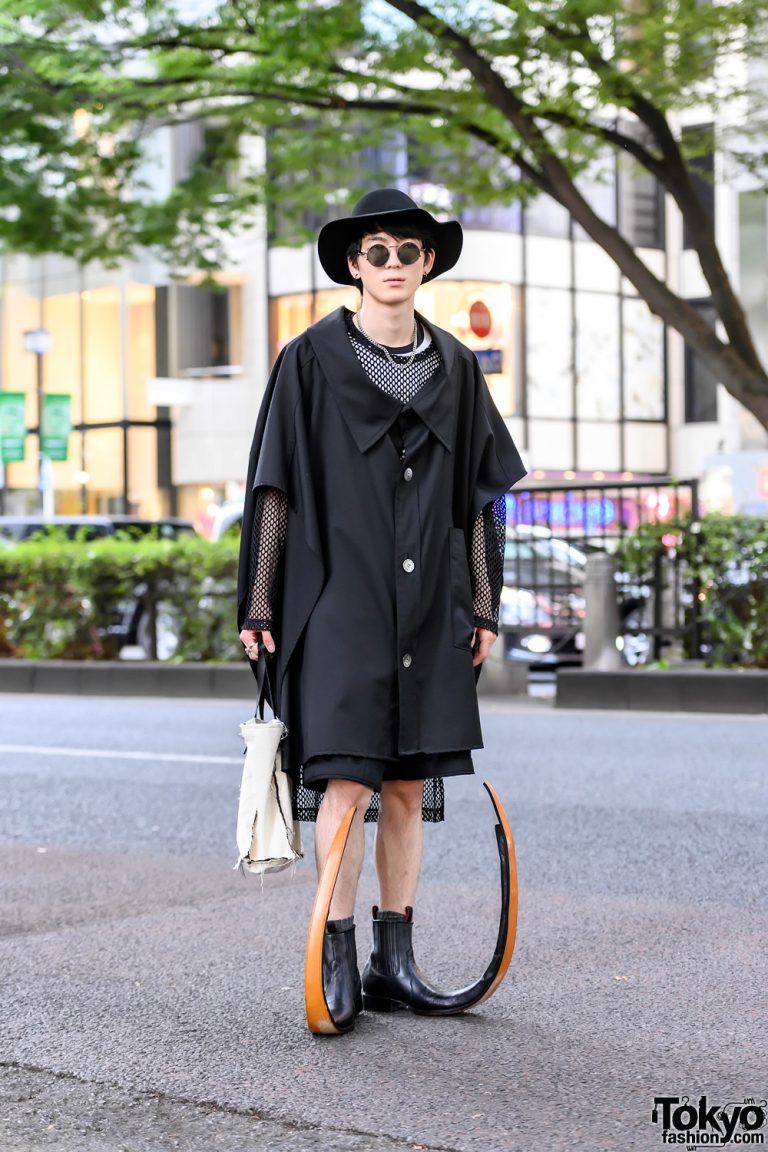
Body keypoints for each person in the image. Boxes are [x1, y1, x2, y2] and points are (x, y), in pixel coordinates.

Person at [237, 188, 526, 1034]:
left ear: (427, 263)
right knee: (348, 779)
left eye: (408, 251)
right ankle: (334, 957)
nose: (393, 264)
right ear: (354, 265)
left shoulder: (458, 369)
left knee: (405, 786)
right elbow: (274, 485)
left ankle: (394, 963)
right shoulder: (308, 359)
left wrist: (482, 603)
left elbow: (482, 497)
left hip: (430, 605)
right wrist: (260, 598)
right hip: (339, 601)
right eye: (377, 253)